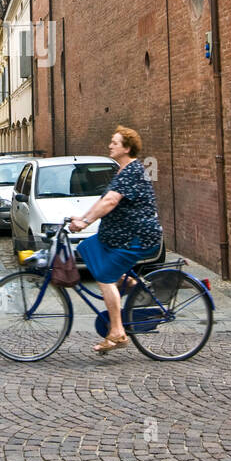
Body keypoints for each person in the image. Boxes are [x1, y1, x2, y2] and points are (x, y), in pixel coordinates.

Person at [68, 125, 163, 353]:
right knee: (87, 247)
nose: (110, 145)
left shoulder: (132, 171)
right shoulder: (122, 170)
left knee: (104, 276)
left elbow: (111, 201)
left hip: (137, 238)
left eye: (115, 142)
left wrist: (85, 223)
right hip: (118, 236)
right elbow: (104, 200)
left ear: (127, 148)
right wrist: (82, 217)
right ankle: (128, 282)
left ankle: (118, 332)